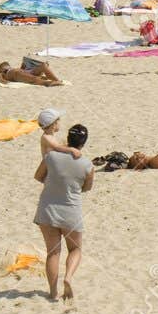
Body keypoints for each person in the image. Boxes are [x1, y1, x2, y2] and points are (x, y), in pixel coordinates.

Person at [34, 122, 93, 303]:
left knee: (53, 252)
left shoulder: (51, 157)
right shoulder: (87, 165)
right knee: (75, 249)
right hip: (70, 211)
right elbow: (87, 187)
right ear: (83, 143)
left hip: (47, 209)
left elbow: (38, 176)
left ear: (68, 138)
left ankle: (53, 293)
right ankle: (68, 277)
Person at [0, 56, 64, 86]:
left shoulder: (13, 69)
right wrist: (7, 81)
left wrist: (24, 64)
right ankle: (48, 83)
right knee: (34, 79)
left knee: (44, 66)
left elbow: (21, 69)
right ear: (2, 69)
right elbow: (1, 80)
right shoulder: (0, 72)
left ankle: (56, 80)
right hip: (17, 75)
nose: (8, 67)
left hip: (24, 72)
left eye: (8, 66)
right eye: (5, 67)